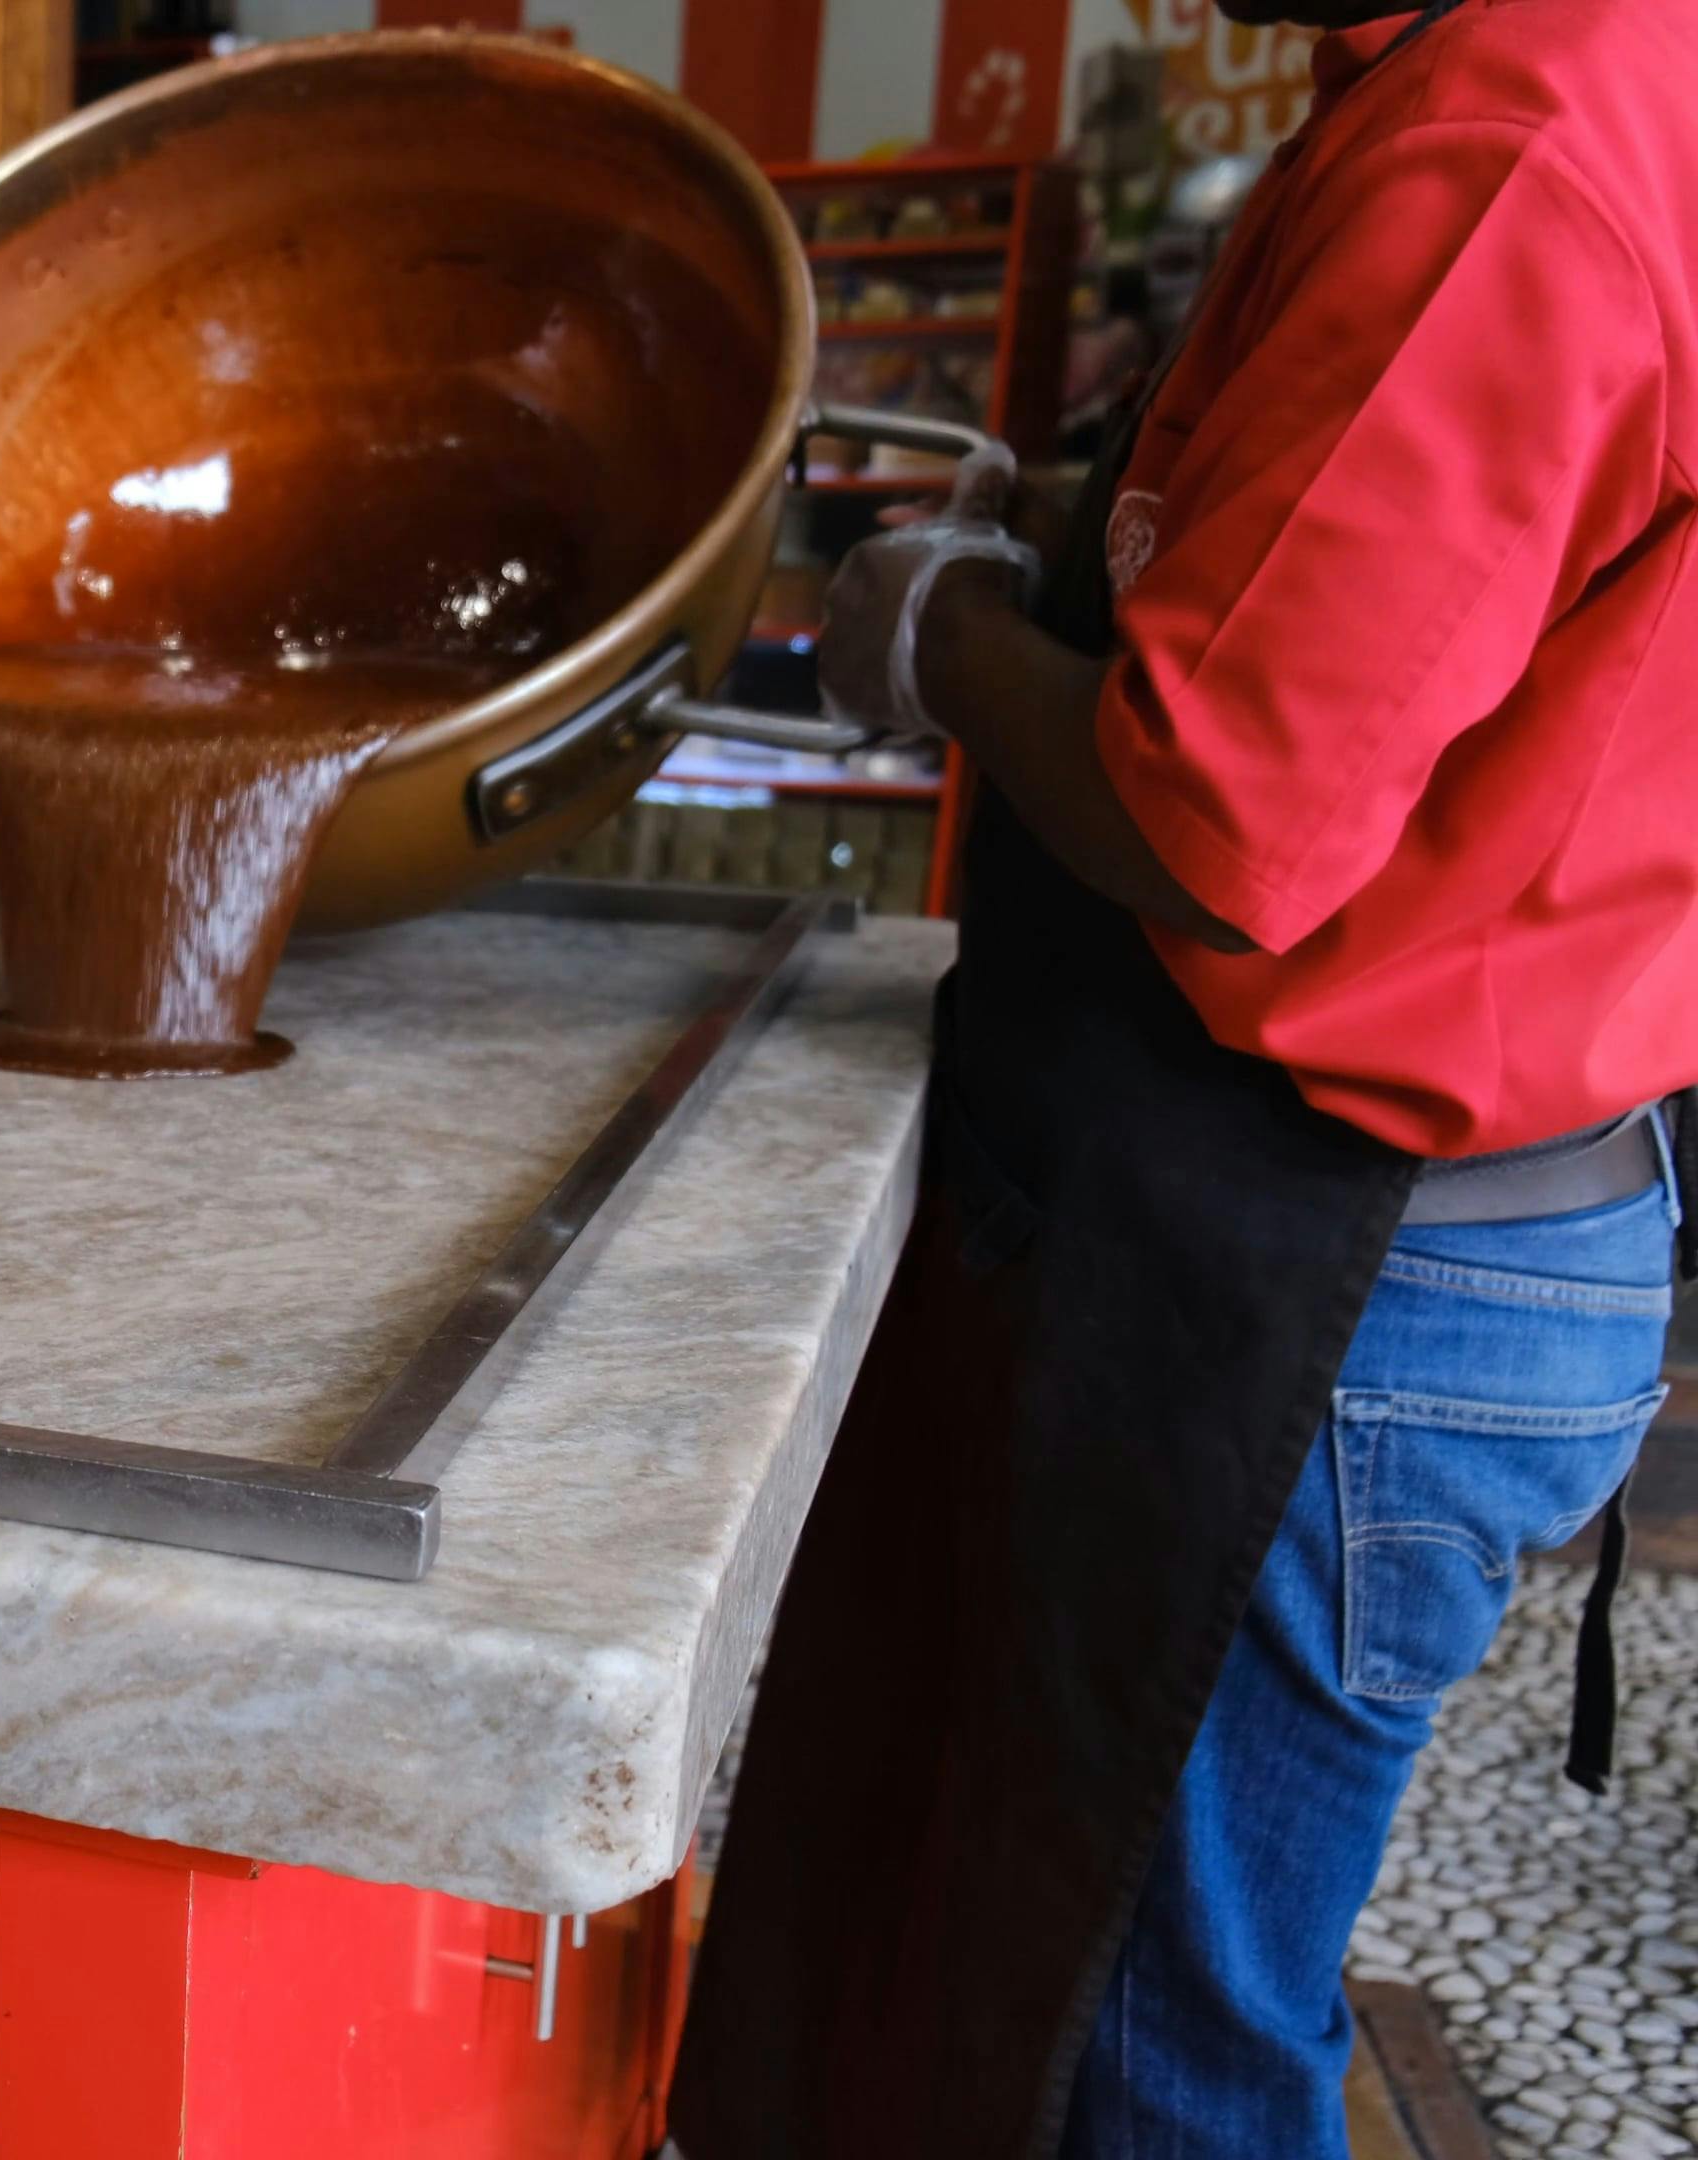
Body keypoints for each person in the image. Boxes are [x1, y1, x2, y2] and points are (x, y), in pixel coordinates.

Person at [673, 0, 1698, 2152]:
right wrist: (1073, 523)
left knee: (1157, 2055)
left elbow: (1223, 826)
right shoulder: (1531, 74)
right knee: (1076, 1973)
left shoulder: (1514, 141)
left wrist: (947, 640)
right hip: (1453, 1208)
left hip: (1341, 1280)